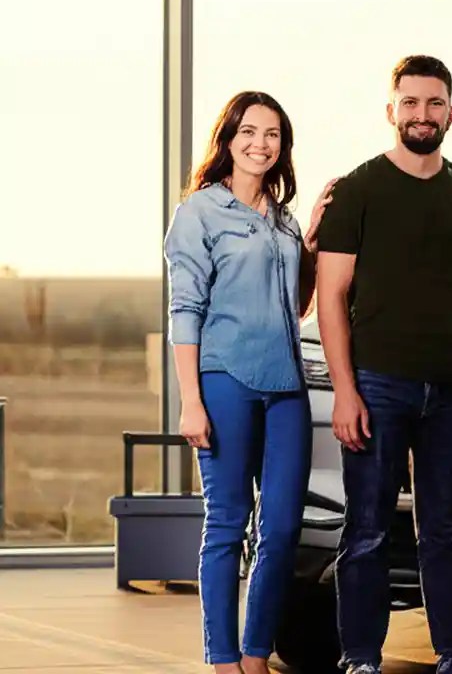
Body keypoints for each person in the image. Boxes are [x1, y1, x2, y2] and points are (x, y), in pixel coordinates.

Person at [314, 55, 452, 674]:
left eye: (434, 104)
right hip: (377, 383)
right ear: (391, 111)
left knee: (445, 529)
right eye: (411, 103)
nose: (422, 115)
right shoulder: (358, 190)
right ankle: (361, 657)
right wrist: (345, 391)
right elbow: (329, 296)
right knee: (368, 526)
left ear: (450, 113)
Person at [164, 91, 334, 674]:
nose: (261, 144)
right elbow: (184, 310)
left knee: (284, 527)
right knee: (228, 522)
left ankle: (258, 654)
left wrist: (308, 245)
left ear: (283, 146)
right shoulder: (199, 213)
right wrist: (191, 401)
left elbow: (300, 305)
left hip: (287, 386)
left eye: (273, 135)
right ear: (229, 138)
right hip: (224, 382)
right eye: (250, 132)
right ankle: (223, 659)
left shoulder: (282, 220)